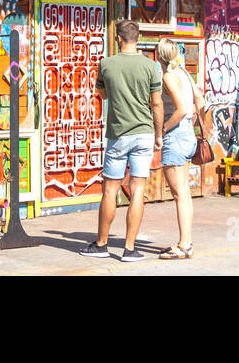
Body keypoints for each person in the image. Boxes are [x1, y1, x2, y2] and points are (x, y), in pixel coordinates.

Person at [80, 19, 162, 261]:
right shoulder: (151, 66)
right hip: (145, 134)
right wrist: (159, 134)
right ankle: (129, 248)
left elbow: (103, 96)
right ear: (137, 39)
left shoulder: (106, 64)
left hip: (118, 134)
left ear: (118, 38)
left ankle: (102, 245)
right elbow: (156, 102)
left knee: (110, 190)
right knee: (137, 190)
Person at [156, 36, 204, 260]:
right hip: (187, 136)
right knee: (184, 193)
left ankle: (184, 245)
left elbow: (182, 109)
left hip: (175, 136)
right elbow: (200, 102)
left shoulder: (168, 76)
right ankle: (187, 242)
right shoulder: (184, 73)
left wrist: (163, 129)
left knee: (179, 194)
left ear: (160, 56)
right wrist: (190, 127)